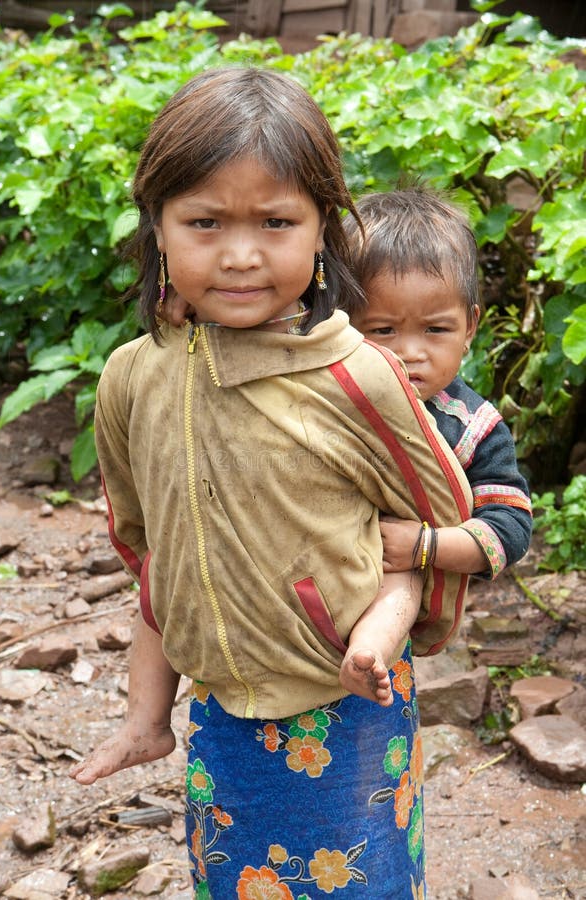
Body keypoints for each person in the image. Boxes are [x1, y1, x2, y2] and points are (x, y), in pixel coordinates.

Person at [69, 68, 474, 898]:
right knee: (235, 880)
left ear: (324, 227)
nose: (242, 253)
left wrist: (390, 626)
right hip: (219, 713)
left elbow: (434, 519)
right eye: (205, 221)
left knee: (359, 881)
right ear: (158, 227)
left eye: (277, 221)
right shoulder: (130, 378)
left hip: (346, 704)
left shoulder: (360, 377)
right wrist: (153, 706)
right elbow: (145, 541)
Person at [344, 187, 532, 584]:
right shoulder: (327, 395)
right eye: (383, 330)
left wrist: (427, 546)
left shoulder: (471, 428)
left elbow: (511, 526)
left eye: (435, 329)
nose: (410, 352)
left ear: (469, 328)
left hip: (409, 607)